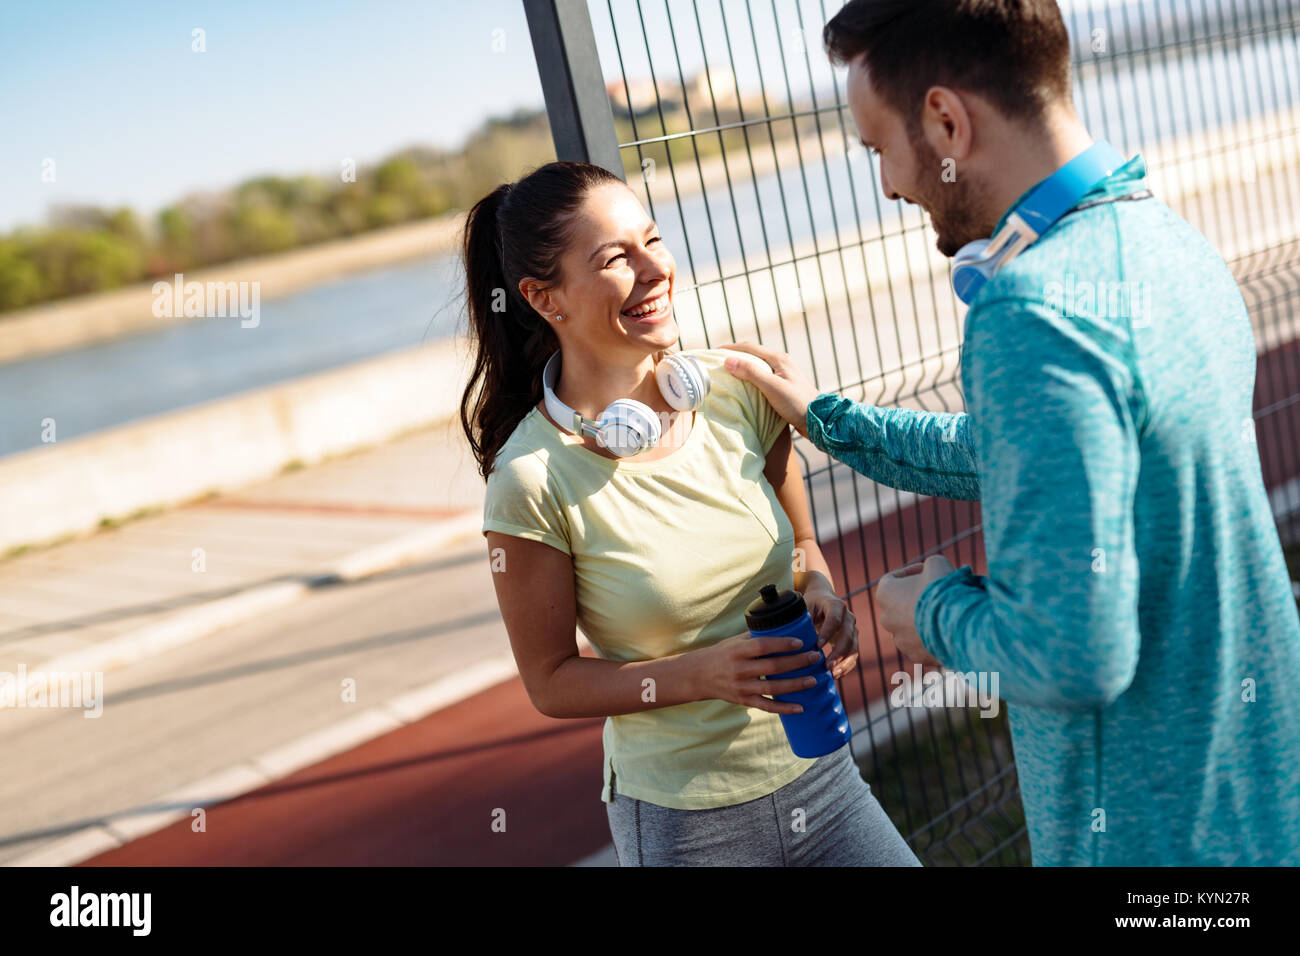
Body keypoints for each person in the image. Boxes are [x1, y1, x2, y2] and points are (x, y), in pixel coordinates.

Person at [720, 0, 1300, 866]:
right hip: (1256, 797)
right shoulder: (1162, 238)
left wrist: (934, 613)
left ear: (947, 121)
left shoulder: (1033, 312)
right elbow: (1028, 455)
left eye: (879, 147)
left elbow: (1072, 659)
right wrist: (828, 420)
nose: (885, 184)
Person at [460, 160, 921, 866]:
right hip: (685, 825)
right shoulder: (530, 480)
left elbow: (802, 544)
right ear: (544, 298)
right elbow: (549, 681)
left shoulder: (737, 394)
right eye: (616, 257)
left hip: (821, 774)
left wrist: (821, 592)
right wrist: (703, 674)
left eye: (654, 240)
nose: (655, 270)